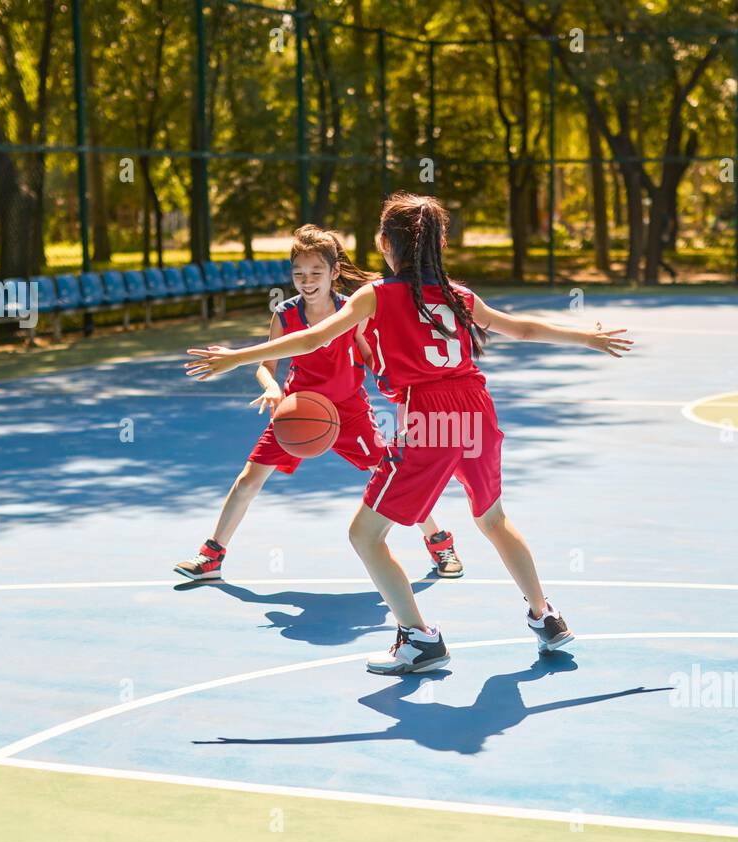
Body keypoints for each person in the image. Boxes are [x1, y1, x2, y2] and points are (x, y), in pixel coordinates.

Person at [186, 195, 630, 674]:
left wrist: (236, 356)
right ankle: (546, 617)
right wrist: (586, 337)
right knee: (494, 519)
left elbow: (315, 339)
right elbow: (519, 329)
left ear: (383, 243)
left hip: (429, 418)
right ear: (439, 244)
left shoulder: (376, 294)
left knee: (365, 534)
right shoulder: (457, 294)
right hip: (477, 409)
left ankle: (420, 639)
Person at [174, 225, 464, 583]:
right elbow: (267, 368)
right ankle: (211, 556)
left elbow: (372, 357)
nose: (306, 281)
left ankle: (440, 543)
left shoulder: (350, 311)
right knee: (248, 480)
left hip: (350, 410)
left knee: (393, 477)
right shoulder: (284, 314)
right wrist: (271, 389)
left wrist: (402, 389)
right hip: (299, 410)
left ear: (334, 273)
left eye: (315, 273)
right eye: (298, 274)